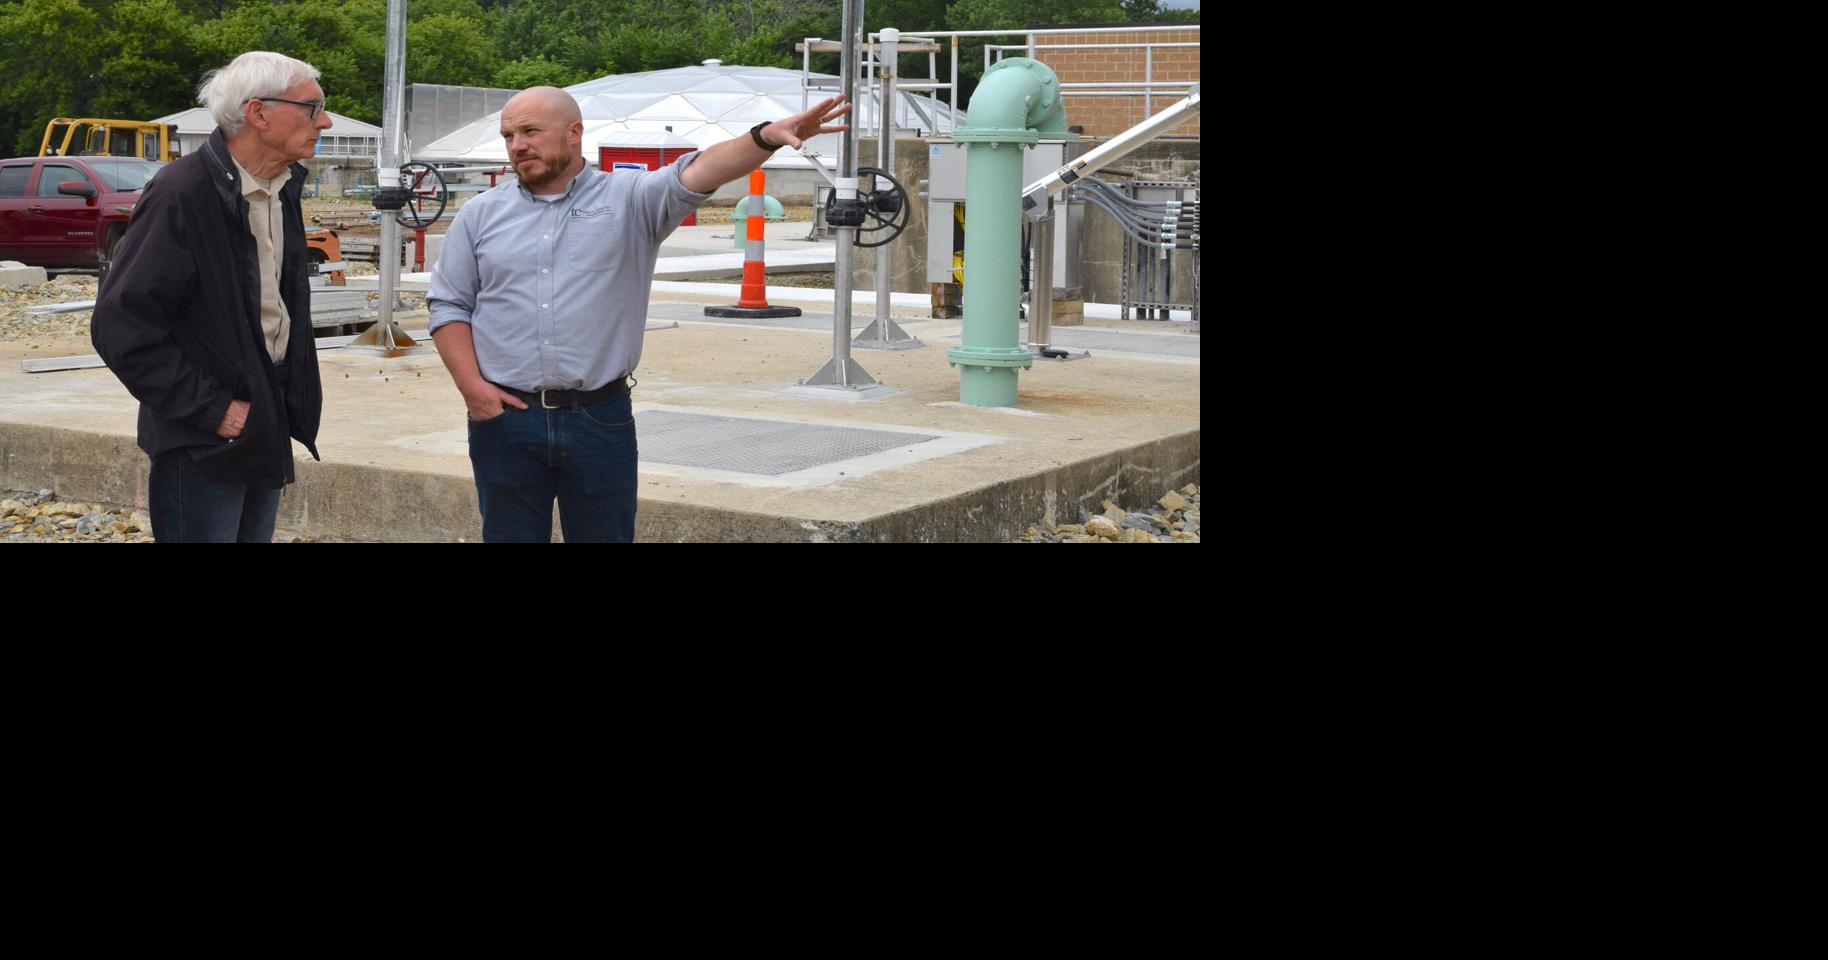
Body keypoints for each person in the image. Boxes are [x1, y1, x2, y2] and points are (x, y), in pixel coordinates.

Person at [428, 86, 849, 542]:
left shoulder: (631, 200)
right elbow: (450, 303)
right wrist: (473, 390)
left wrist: (765, 137)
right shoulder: (480, 215)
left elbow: (701, 169)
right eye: (509, 135)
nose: (517, 146)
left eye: (530, 131)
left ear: (574, 133)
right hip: (507, 420)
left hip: (598, 418)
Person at [91, 51, 333, 542]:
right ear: (258, 113)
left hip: (263, 417)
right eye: (312, 107)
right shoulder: (182, 194)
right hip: (204, 435)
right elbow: (120, 326)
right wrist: (212, 409)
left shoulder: (281, 188)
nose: (324, 120)